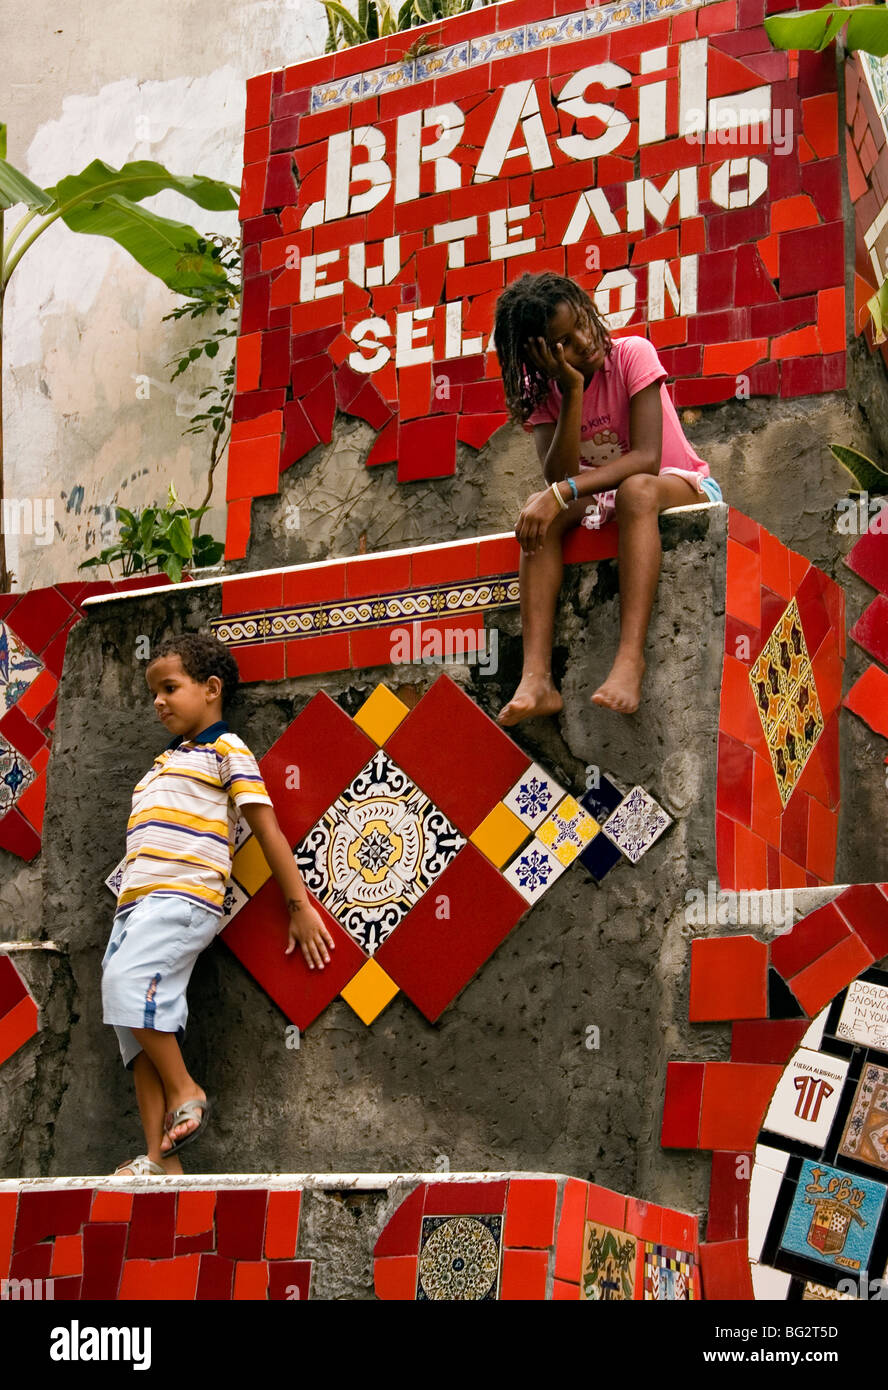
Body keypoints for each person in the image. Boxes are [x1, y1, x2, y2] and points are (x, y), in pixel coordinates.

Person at [102, 631, 333, 1176]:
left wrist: (298, 905)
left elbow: (267, 830)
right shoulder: (162, 763)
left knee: (125, 989)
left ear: (211, 689)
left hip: (183, 900)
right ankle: (162, 1162)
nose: (158, 700)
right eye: (152, 691)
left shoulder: (227, 751)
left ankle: (187, 1088)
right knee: (132, 1025)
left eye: (169, 687)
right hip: (135, 908)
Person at [493, 272, 722, 724]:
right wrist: (572, 389)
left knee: (634, 490)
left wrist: (563, 490)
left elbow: (647, 460)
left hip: (679, 485)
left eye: (583, 322)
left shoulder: (632, 354)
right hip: (606, 499)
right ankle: (537, 677)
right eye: (564, 341)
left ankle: (629, 659)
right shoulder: (549, 393)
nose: (584, 341)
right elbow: (559, 475)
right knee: (544, 516)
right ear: (541, 356)